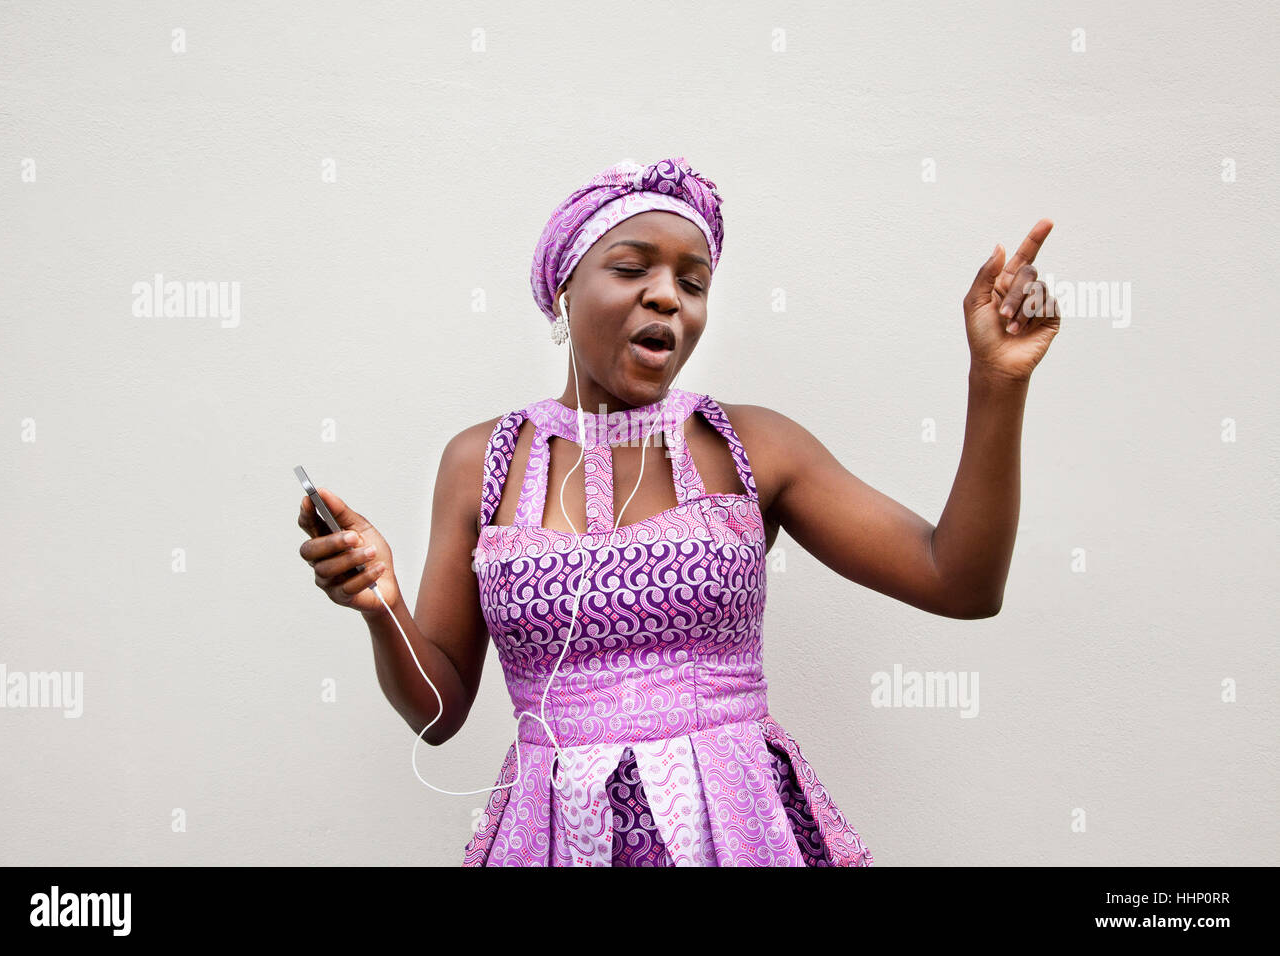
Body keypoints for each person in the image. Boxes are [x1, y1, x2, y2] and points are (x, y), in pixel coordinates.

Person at [296, 156, 1061, 866]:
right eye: (632, 268)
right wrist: (381, 606)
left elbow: (960, 582)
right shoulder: (480, 463)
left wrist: (997, 379)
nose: (668, 294)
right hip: (559, 843)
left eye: (692, 283)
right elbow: (437, 715)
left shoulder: (753, 446)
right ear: (563, 290)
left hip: (735, 837)